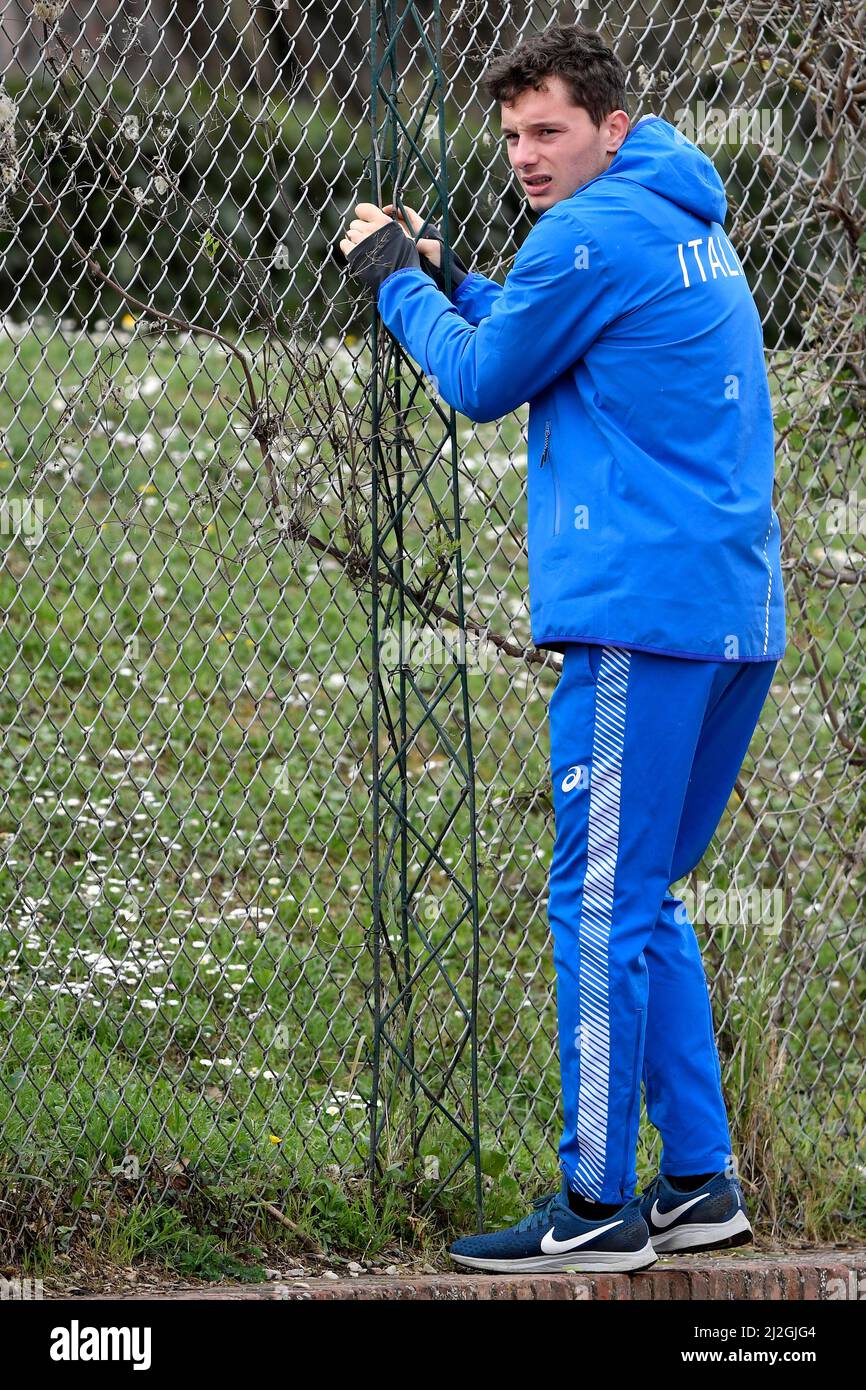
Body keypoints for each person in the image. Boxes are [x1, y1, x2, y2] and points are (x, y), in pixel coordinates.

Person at [340, 22, 785, 1274]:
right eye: (512, 137)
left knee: (591, 906)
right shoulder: (671, 215)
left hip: (638, 622)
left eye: (547, 132)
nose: (526, 157)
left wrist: (393, 282)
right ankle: (698, 1183)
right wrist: (450, 276)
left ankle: (593, 1208)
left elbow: (485, 378)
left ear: (610, 126)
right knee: (643, 899)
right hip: (727, 618)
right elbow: (545, 332)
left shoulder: (587, 232)